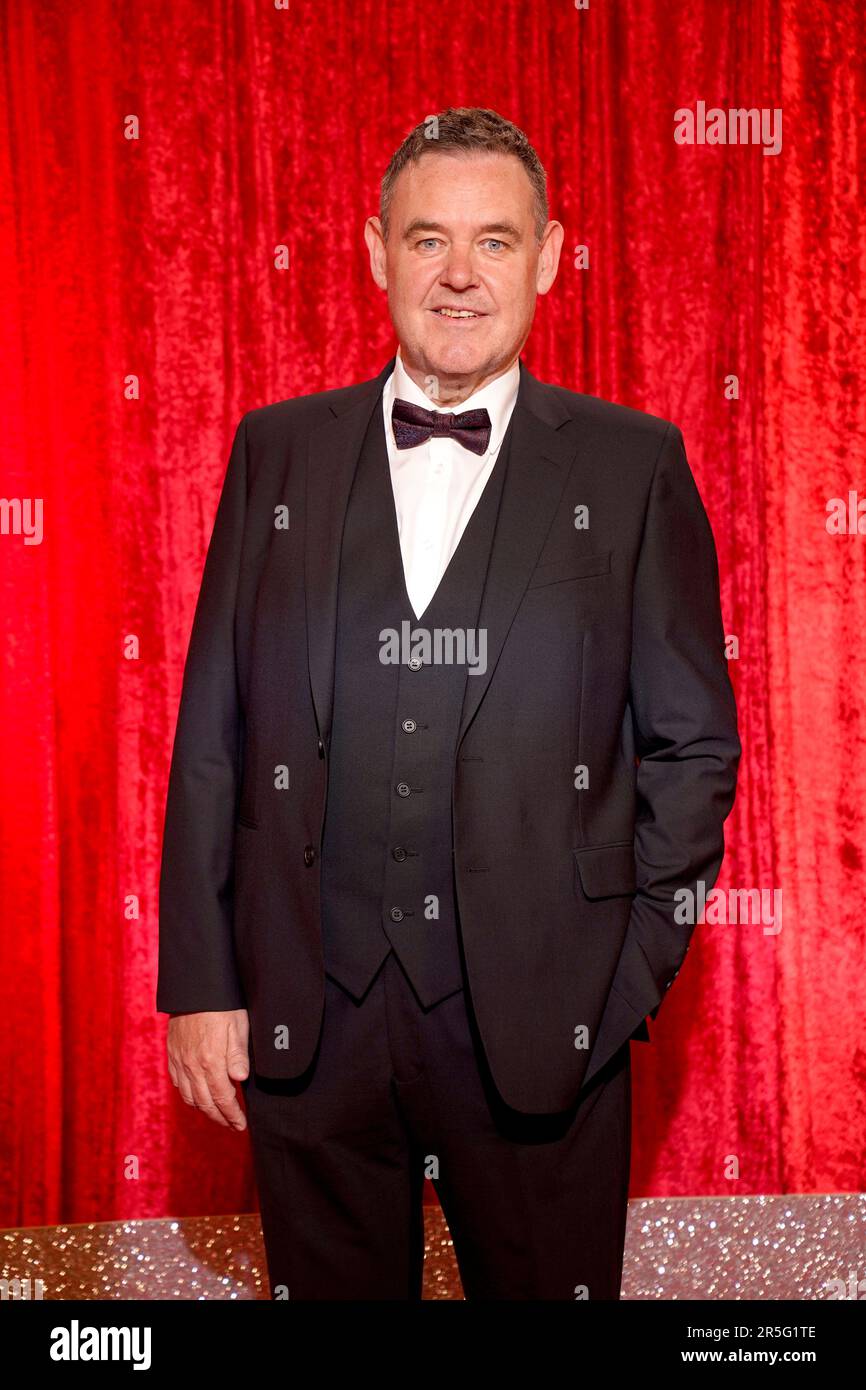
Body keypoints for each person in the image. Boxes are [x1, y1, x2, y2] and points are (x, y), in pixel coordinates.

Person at [157, 106, 741, 1300]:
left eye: (493, 239)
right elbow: (212, 728)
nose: (460, 275)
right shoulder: (276, 452)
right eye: (428, 240)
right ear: (377, 253)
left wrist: (620, 976)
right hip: (305, 1018)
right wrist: (204, 981)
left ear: (548, 253)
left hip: (541, 1022)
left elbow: (691, 745)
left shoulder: (632, 466)